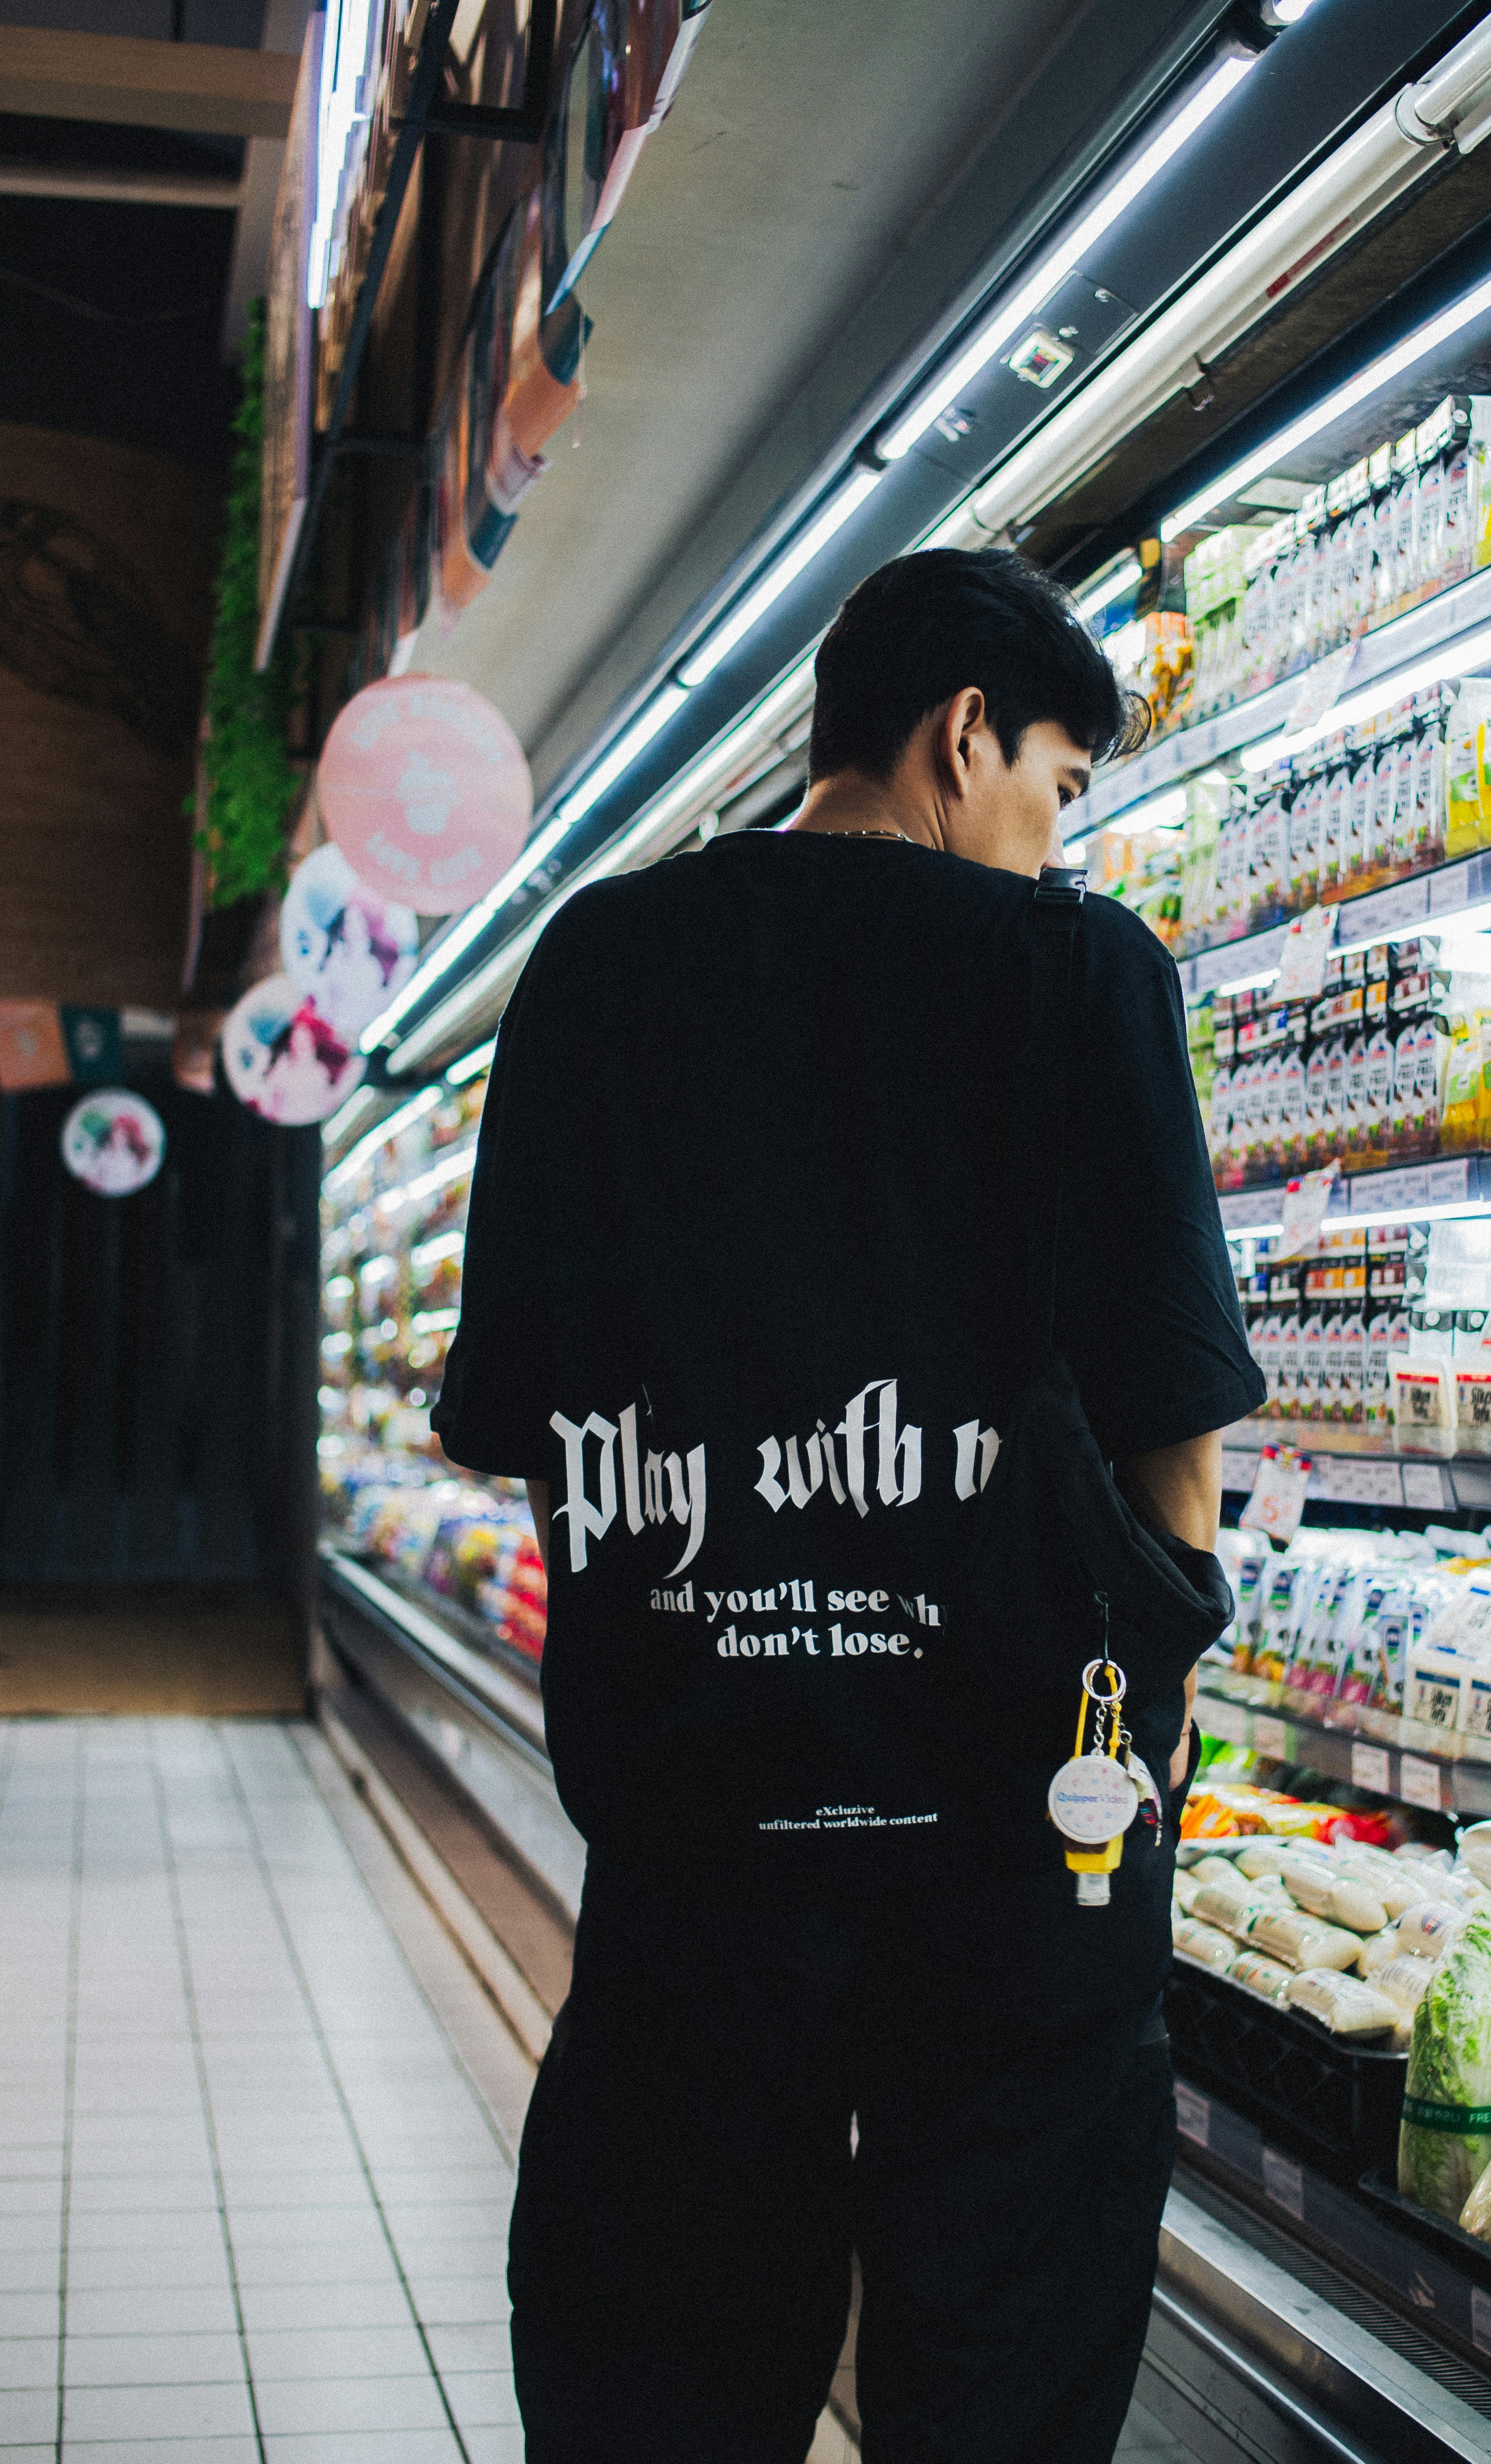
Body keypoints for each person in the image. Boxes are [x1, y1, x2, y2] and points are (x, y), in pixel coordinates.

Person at [434, 547, 1263, 2463]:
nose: (1059, 841)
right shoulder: (1083, 975)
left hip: (703, 1854)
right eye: (1058, 788)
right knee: (1001, 2375)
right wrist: (1136, 1711)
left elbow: (509, 1417)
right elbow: (1176, 1440)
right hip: (1014, 1871)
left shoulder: (597, 963)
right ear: (963, 735)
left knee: (661, 2363)